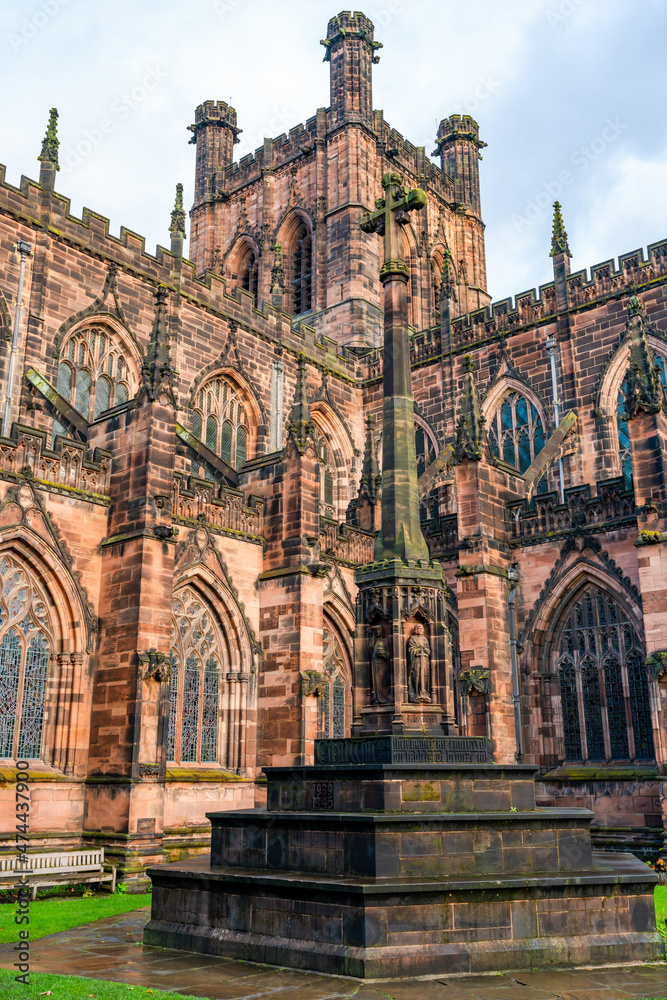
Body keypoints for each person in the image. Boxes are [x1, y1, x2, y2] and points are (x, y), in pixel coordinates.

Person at [407, 622, 431, 703]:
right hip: (416, 660)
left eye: (421, 628)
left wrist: (424, 649)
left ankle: (423, 691)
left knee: (424, 675)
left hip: (424, 660)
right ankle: (416, 692)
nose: (420, 630)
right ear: (415, 630)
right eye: (418, 628)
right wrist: (418, 650)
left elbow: (428, 651)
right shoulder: (412, 639)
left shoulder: (425, 639)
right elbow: (411, 650)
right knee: (416, 674)